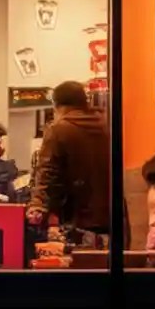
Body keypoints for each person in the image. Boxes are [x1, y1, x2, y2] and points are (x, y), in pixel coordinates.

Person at [26, 81, 110, 237]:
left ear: (58, 106)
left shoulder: (59, 130)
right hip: (113, 219)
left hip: (78, 221)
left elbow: (48, 173)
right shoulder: (107, 126)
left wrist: (38, 205)